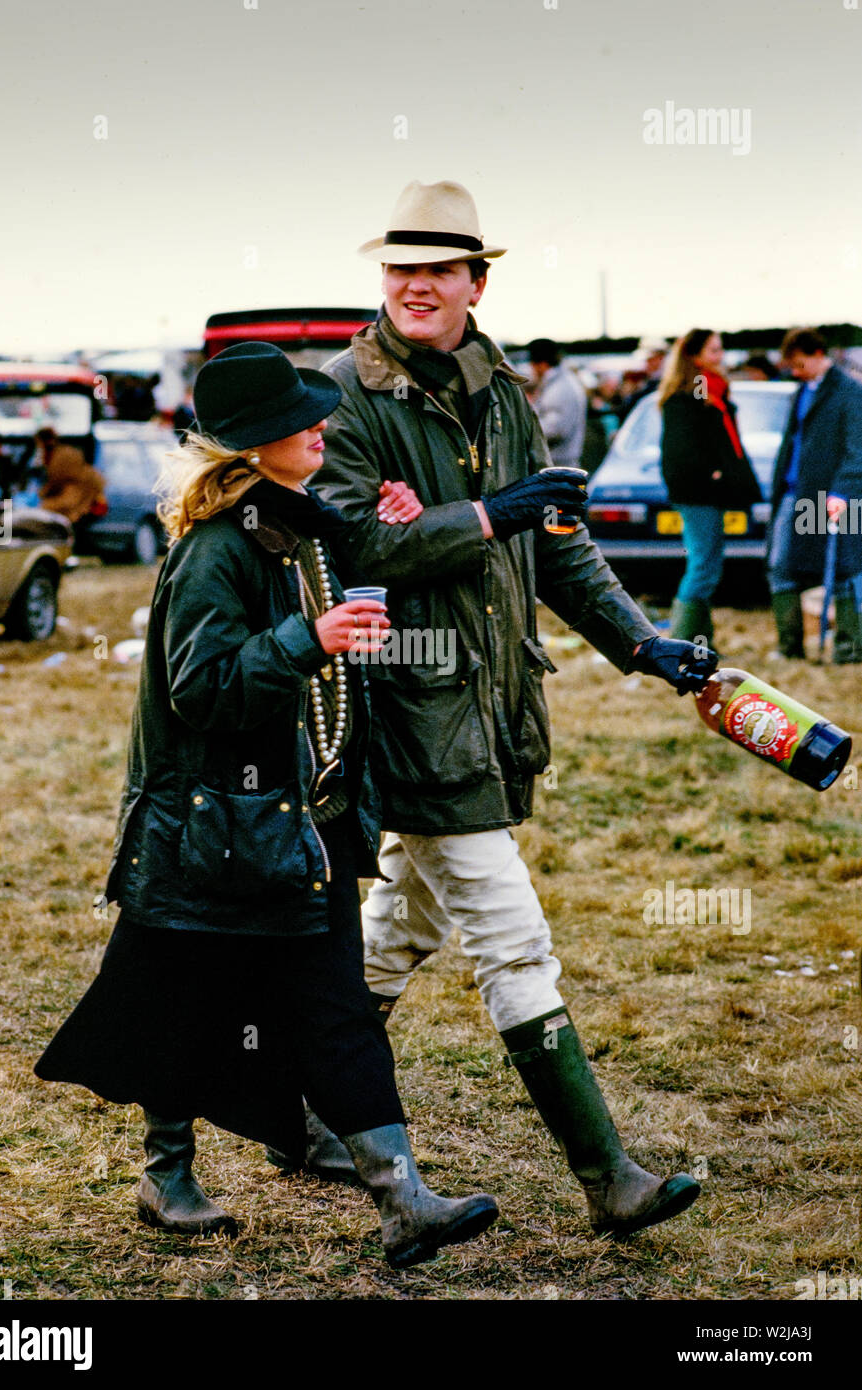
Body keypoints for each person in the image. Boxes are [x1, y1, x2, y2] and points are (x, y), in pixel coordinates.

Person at [278, 179, 716, 1238]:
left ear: (478, 280)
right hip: (406, 710)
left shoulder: (501, 389)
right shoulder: (343, 393)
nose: (415, 285)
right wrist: (482, 513)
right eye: (398, 268)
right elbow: (353, 543)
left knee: (404, 926)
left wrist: (641, 642)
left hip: (496, 709)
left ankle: (298, 1114)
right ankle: (608, 1177)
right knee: (511, 941)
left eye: (437, 268)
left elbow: (554, 544)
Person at [34, 342, 498, 1270]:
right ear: (256, 445)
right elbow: (200, 687)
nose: (323, 425)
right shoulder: (215, 550)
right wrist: (307, 637)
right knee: (172, 1000)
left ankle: (400, 1200)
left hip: (303, 823)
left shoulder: (296, 524)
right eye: (304, 418)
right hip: (218, 832)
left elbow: (359, 559)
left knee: (334, 1009)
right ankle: (166, 1176)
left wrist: (390, 521)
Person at [658, 329, 762, 644]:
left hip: (703, 492)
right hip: (698, 493)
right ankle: (683, 642)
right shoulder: (688, 396)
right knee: (703, 565)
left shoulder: (706, 391)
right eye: (714, 350)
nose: (721, 357)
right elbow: (683, 451)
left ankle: (698, 644)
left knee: (707, 564)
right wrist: (713, 474)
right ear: (695, 356)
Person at [767, 327, 862, 663]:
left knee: (845, 569)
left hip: (835, 496)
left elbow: (857, 449)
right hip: (797, 493)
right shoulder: (801, 391)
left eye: (800, 364)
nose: (794, 371)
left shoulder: (849, 392)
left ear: (818, 355)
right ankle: (789, 647)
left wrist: (843, 492)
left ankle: (849, 648)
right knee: (781, 566)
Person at [36, 427, 109, 541]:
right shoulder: (60, 453)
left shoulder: (61, 455)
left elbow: (57, 480)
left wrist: (42, 493)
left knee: (50, 509)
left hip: (81, 495)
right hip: (81, 494)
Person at [527, 337, 587, 466]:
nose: (531, 371)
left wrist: (524, 431)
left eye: (532, 366)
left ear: (542, 365)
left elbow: (555, 429)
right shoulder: (562, 382)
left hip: (558, 463)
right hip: (561, 460)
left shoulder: (560, 388)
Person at [618, 336, 670, 420]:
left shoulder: (665, 383)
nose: (647, 363)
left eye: (650, 359)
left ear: (660, 358)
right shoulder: (645, 382)